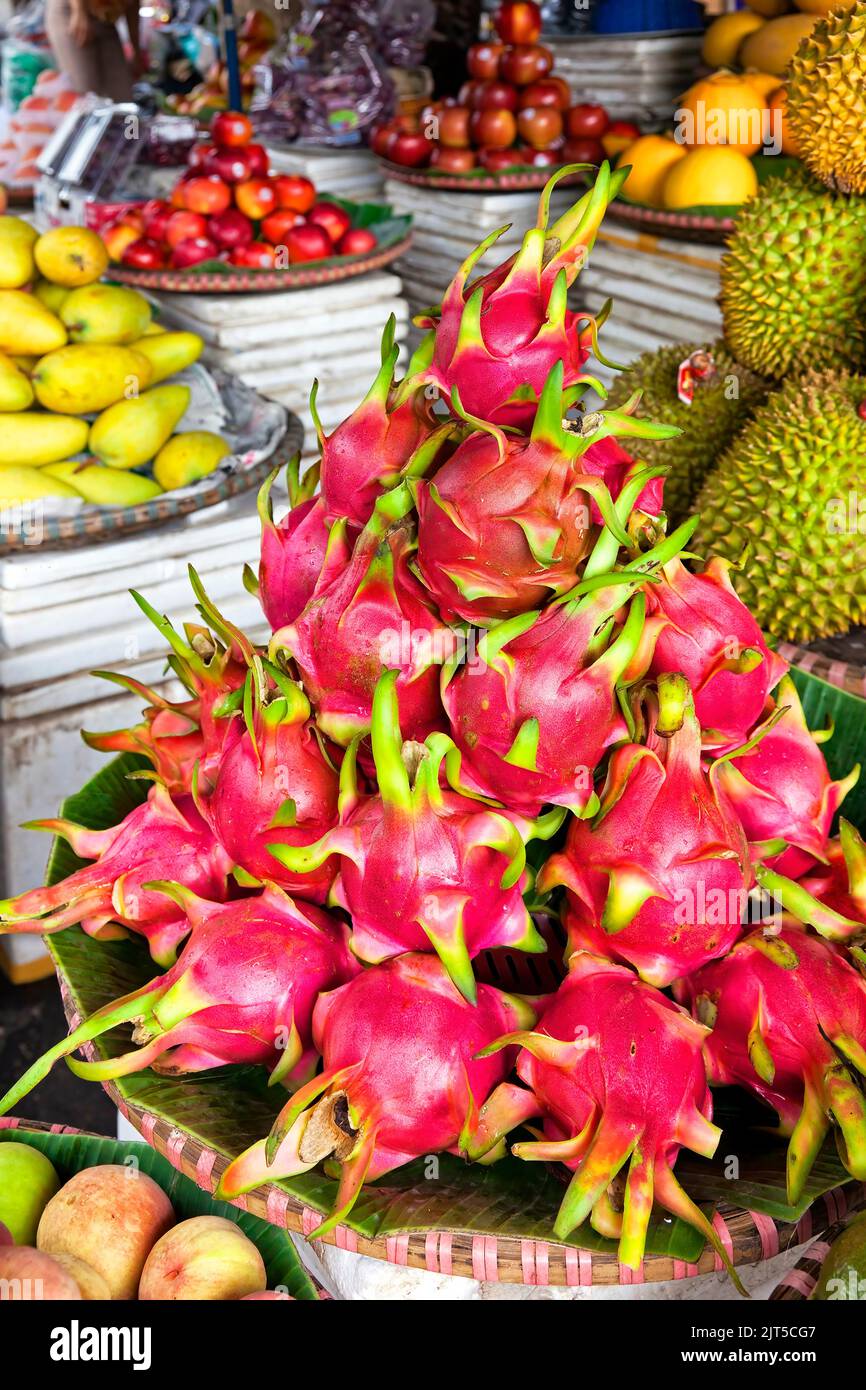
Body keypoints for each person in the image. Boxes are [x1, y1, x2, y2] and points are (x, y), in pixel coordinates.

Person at [45, 0, 144, 101]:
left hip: (105, 16)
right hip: (71, 9)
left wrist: (136, 50)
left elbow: (133, 4)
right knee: (85, 93)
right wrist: (79, 12)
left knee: (122, 94)